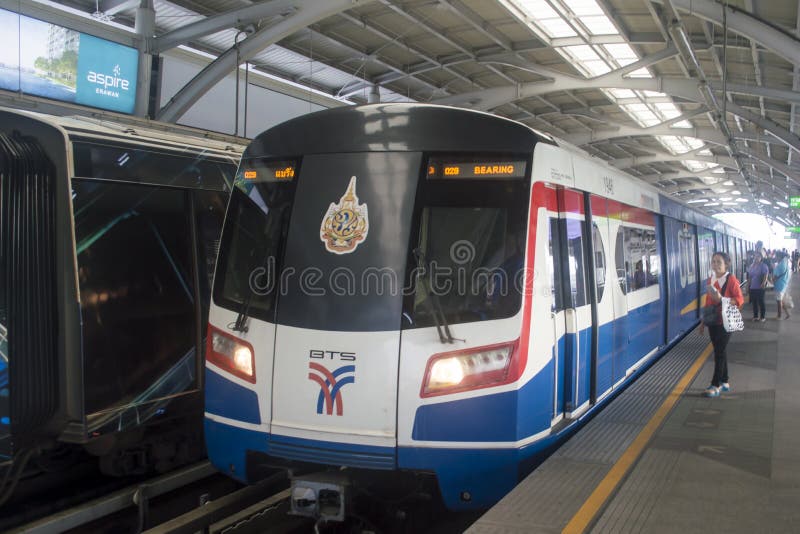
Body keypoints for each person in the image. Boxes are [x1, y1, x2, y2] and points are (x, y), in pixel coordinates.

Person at [699, 251, 744, 398]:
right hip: (713, 321)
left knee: (719, 352)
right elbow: (707, 301)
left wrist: (723, 299)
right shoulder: (710, 280)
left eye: (719, 262)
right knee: (720, 350)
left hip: (725, 321)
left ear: (726, 264)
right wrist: (703, 322)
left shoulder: (731, 280)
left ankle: (715, 384)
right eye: (713, 262)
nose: (716, 265)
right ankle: (725, 382)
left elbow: (740, 300)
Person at [747, 252, 769, 322]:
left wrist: (763, 283)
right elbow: (749, 277)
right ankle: (755, 316)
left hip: (760, 287)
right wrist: (748, 286)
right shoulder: (752, 266)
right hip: (752, 287)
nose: (756, 258)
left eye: (758, 257)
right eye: (755, 256)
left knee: (761, 302)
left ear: (761, 258)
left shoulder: (764, 266)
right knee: (754, 302)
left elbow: (765, 276)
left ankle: (762, 317)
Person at [773, 252, 791, 319]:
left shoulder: (780, 265)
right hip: (783, 284)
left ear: (780, 257)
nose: (775, 258)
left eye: (776, 256)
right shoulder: (785, 263)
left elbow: (775, 276)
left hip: (779, 284)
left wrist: (772, 281)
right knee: (781, 300)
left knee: (779, 301)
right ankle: (787, 313)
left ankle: (779, 315)